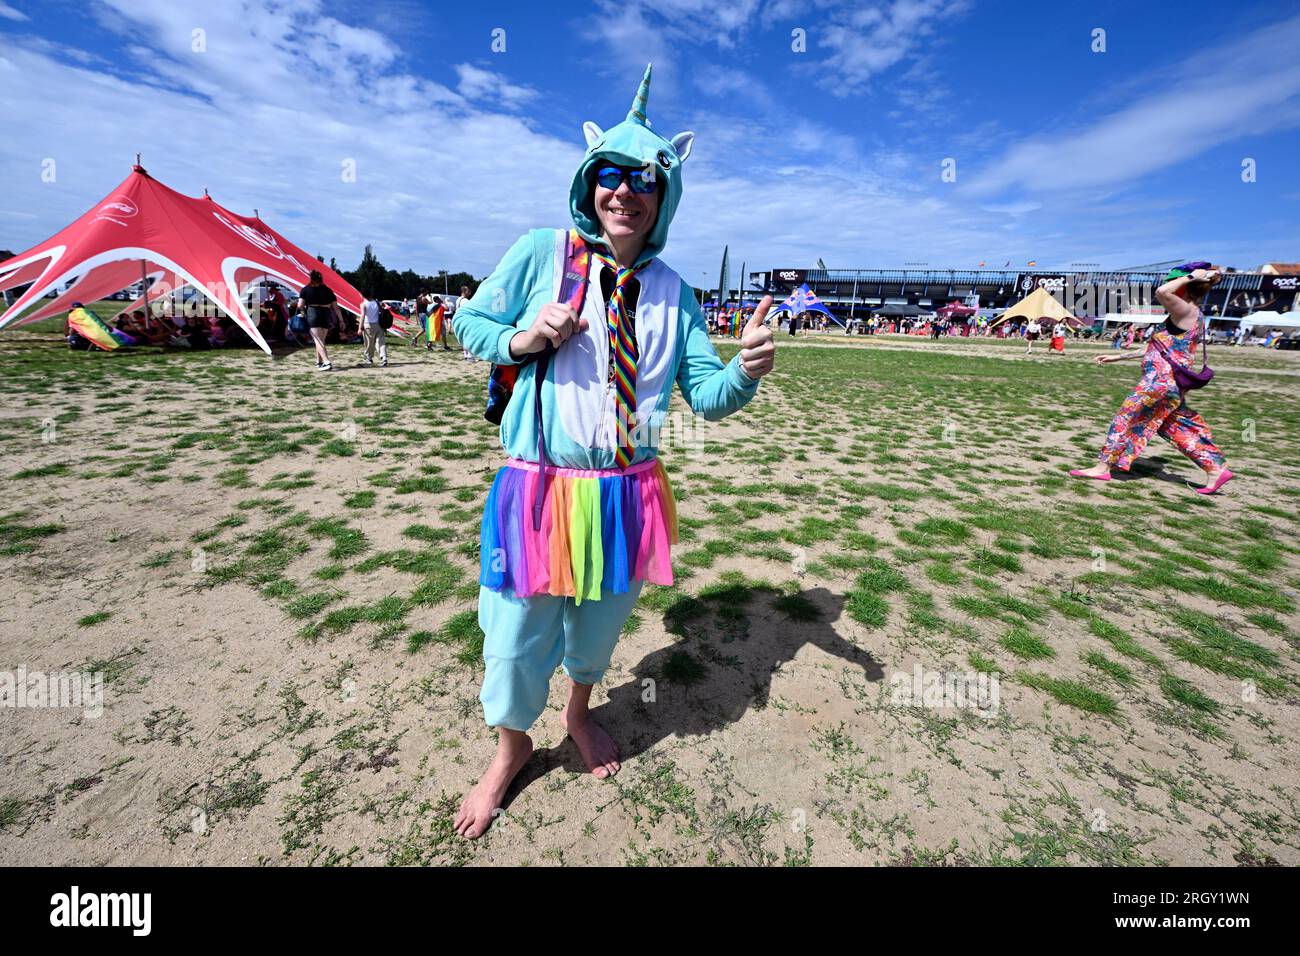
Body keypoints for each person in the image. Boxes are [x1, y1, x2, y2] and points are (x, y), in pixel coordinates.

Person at [449, 64, 775, 840]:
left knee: (597, 629)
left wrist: (745, 369)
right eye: (609, 176)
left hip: (627, 493)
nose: (623, 192)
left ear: (664, 199)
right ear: (588, 183)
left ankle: (576, 714)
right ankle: (511, 746)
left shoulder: (675, 292)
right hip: (539, 490)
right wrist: (523, 338)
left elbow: (709, 397)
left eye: (643, 182)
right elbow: (469, 323)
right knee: (518, 631)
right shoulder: (541, 252)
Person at [1070, 264, 1233, 494]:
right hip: (1170, 386)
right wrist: (1118, 356)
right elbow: (1161, 348)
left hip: (1159, 383)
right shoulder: (1190, 314)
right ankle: (1215, 468)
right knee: (1175, 426)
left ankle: (1102, 467)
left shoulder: (1185, 310)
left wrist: (1190, 276)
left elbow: (1162, 292)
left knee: (1126, 417)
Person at [297, 269, 339, 370]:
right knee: (321, 340)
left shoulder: (305, 289)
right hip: (326, 314)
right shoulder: (328, 290)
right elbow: (336, 307)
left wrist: (302, 312)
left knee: (317, 340)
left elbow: (300, 305)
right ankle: (319, 361)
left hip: (312, 313)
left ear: (311, 278)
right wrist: (341, 320)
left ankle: (326, 362)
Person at [359, 291, 387, 367]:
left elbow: (362, 316)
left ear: (363, 295)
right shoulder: (377, 303)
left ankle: (369, 359)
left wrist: (359, 328)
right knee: (381, 343)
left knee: (369, 343)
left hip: (368, 325)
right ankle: (384, 358)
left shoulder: (363, 304)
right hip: (379, 325)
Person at [458, 285, 478, 362]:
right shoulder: (465, 301)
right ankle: (470, 356)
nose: (470, 292)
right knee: (469, 338)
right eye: (468, 291)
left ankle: (466, 355)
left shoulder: (458, 299)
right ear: (464, 291)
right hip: (465, 321)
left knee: (463, 338)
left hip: (460, 321)